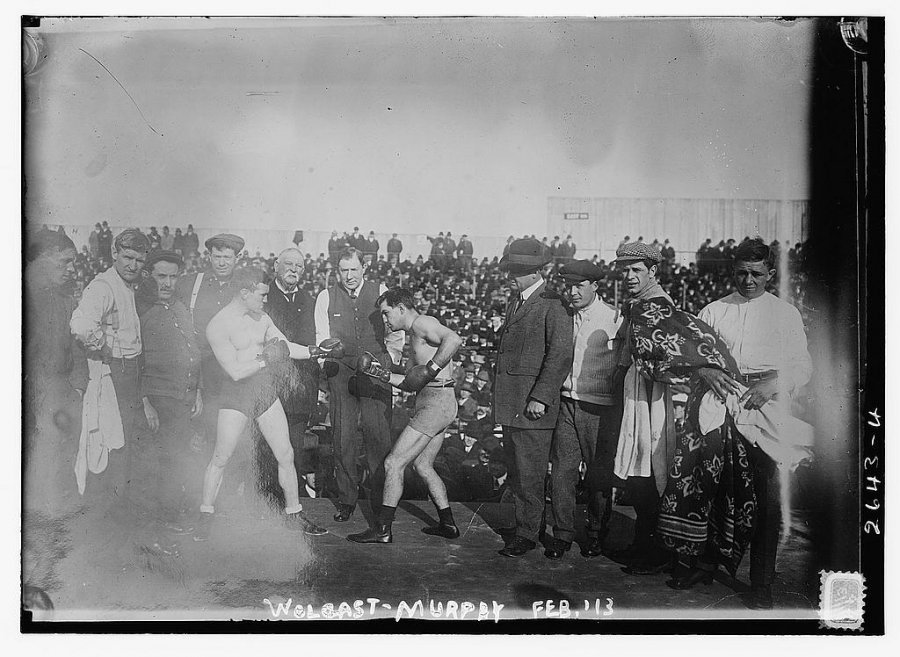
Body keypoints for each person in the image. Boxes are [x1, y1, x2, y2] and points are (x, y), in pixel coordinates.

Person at [611, 241, 755, 580]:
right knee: (639, 466)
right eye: (625, 270)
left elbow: (680, 351)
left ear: (653, 272)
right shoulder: (639, 304)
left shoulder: (658, 305)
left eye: (636, 271)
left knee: (650, 465)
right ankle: (643, 543)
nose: (629, 276)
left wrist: (702, 368)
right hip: (638, 390)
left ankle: (656, 550)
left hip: (655, 396)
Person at [694, 238, 812, 609]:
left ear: (771, 274)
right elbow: (692, 355)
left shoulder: (785, 314)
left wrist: (773, 384)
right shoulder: (714, 310)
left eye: (756, 274)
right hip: (721, 406)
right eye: (742, 273)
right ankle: (708, 563)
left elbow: (803, 366)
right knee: (715, 488)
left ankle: (761, 581)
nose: (748, 280)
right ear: (733, 271)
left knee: (765, 498)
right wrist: (706, 372)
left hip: (766, 411)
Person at [194, 267, 337, 540]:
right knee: (221, 457)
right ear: (244, 293)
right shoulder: (219, 324)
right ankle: (206, 514)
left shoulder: (261, 317)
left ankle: (294, 513)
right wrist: (265, 359)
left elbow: (284, 345)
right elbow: (234, 371)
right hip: (235, 396)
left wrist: (315, 351)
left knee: (286, 455)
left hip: (264, 392)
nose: (265, 299)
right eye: (261, 294)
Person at [348, 287, 464, 543]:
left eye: (387, 313)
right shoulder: (415, 337)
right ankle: (448, 524)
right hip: (435, 400)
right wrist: (379, 374)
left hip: (436, 402)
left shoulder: (422, 323)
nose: (386, 320)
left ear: (402, 308)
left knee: (393, 464)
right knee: (422, 465)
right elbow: (411, 383)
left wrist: (431, 370)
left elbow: (454, 340)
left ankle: (382, 530)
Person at [493, 238, 573, 557]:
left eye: (518, 269)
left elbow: (560, 354)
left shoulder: (553, 303)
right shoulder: (517, 300)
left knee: (530, 472)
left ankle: (527, 534)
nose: (511, 274)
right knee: (517, 469)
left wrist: (540, 396)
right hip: (513, 402)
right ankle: (528, 524)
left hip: (531, 404)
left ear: (535, 271)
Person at [314, 248, 403, 522]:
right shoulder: (326, 296)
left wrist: (387, 361)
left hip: (374, 371)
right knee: (343, 439)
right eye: (344, 270)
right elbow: (321, 337)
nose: (350, 276)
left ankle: (380, 501)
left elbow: (396, 329)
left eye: (354, 270)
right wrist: (327, 368)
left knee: (378, 437)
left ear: (363, 268)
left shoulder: (381, 290)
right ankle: (347, 499)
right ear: (336, 271)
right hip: (341, 373)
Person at [545, 260, 623, 560]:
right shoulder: (565, 314)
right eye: (569, 285)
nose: (573, 291)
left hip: (600, 409)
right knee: (563, 473)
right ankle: (563, 534)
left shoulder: (614, 318)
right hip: (566, 403)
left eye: (579, 286)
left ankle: (594, 534)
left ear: (595, 286)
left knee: (598, 476)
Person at [70, 228, 149, 507]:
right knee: (110, 443)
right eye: (127, 257)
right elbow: (80, 326)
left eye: (139, 260)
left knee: (124, 442)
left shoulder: (127, 284)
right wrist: (102, 345)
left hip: (130, 370)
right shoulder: (103, 285)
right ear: (114, 253)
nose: (133, 265)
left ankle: (119, 511)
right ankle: (107, 515)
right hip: (113, 371)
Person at [137, 250, 204, 540]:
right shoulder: (141, 310)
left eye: (173, 276)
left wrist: (198, 390)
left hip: (184, 397)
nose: (167, 283)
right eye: (161, 276)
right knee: (163, 460)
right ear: (149, 277)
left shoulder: (179, 306)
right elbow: (136, 360)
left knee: (180, 456)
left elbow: (193, 350)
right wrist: (145, 401)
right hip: (159, 397)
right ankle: (163, 519)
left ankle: (174, 513)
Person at [24, 229, 87, 524]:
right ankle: (42, 510)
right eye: (65, 262)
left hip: (62, 384)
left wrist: (78, 382)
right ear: (44, 259)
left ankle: (59, 506)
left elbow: (73, 341)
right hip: (35, 387)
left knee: (65, 444)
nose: (71, 269)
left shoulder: (63, 294)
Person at [263, 248, 321, 497]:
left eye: (299, 266)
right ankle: (264, 503)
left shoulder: (310, 301)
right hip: (269, 386)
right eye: (288, 264)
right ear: (276, 265)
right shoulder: (262, 295)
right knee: (264, 448)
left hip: (299, 389)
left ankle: (292, 509)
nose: (293, 270)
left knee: (295, 447)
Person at [175, 233, 244, 441]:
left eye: (227, 258)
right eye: (217, 257)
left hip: (233, 376)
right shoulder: (191, 284)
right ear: (209, 256)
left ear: (237, 258)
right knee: (200, 436)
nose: (221, 263)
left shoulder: (244, 287)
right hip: (201, 375)